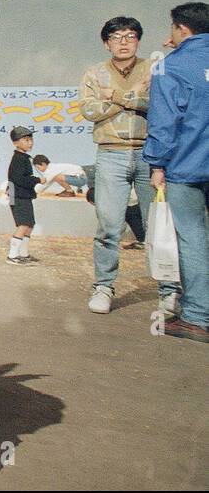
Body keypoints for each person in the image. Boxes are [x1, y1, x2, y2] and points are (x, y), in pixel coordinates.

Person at [80, 16, 173, 315]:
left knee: (157, 225)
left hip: (151, 154)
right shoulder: (94, 73)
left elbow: (159, 104)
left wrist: (117, 96)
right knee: (109, 225)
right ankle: (104, 286)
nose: (123, 41)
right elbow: (89, 110)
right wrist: (135, 97)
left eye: (130, 36)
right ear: (107, 42)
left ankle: (168, 291)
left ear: (138, 40)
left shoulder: (154, 68)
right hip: (111, 153)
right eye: (116, 36)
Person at [144, 2, 209, 343]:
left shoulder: (173, 66)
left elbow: (165, 122)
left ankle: (198, 317)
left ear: (182, 29)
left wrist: (157, 163)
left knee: (193, 239)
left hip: (187, 166)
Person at [5, 126, 40, 265]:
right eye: (26, 140)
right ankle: (13, 256)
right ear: (15, 143)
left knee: (29, 225)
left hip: (23, 195)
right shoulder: (19, 159)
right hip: (18, 195)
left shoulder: (23, 157)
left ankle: (23, 254)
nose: (30, 142)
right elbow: (19, 179)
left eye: (31, 139)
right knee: (24, 224)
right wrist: (37, 180)